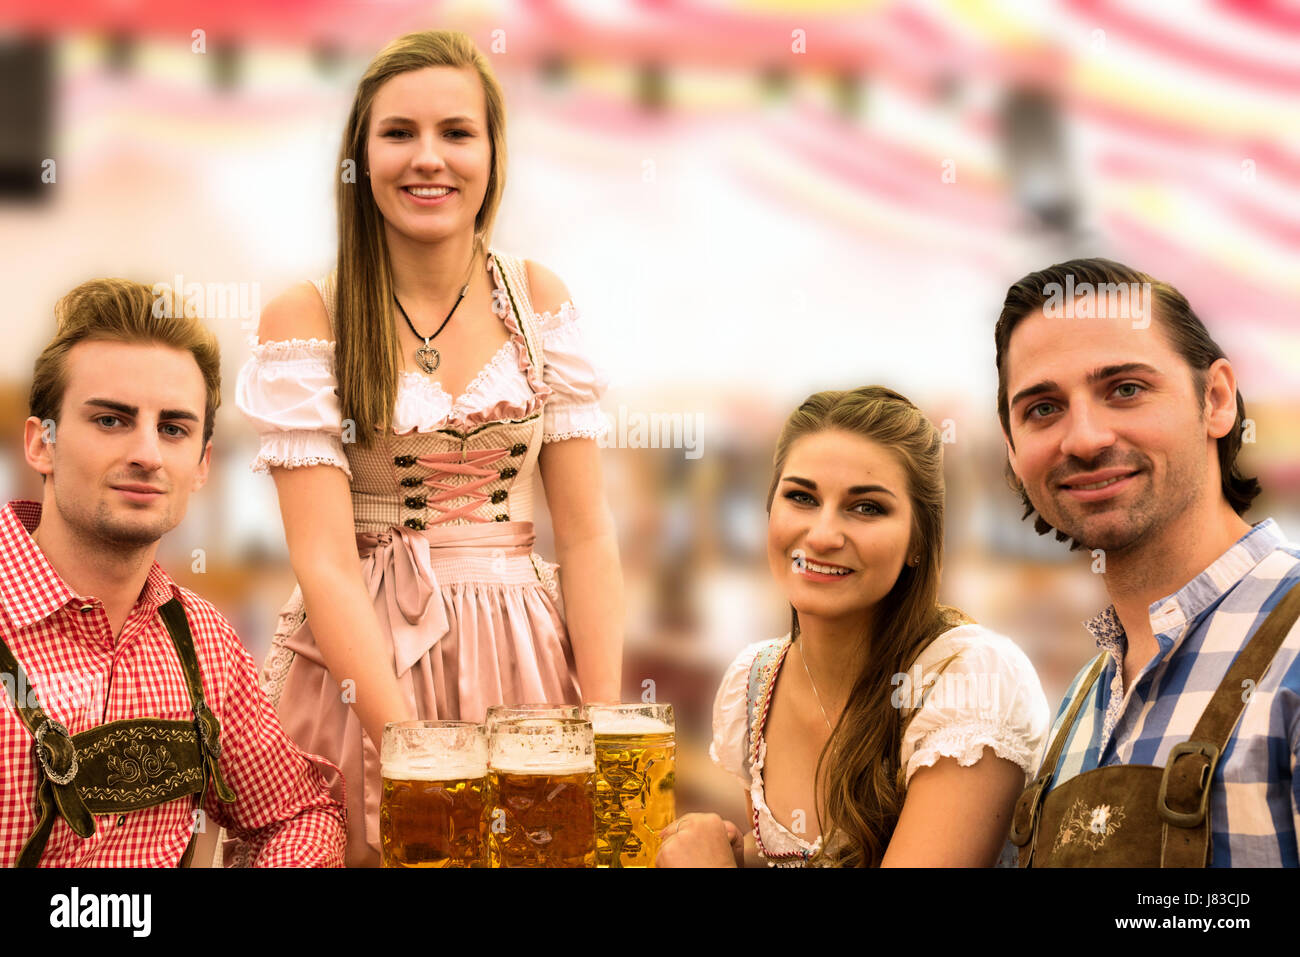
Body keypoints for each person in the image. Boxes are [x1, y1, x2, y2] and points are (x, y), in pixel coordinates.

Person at [233, 30, 624, 867]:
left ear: (492, 152)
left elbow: (588, 535)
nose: (428, 159)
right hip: (363, 658)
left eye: (456, 132)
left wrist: (602, 725)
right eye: (398, 133)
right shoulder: (308, 315)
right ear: (361, 156)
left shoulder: (538, 299)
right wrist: (412, 754)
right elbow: (326, 561)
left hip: (522, 646)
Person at [0, 278, 346, 867]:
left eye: (173, 428)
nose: (147, 454)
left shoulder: (203, 640)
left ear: (203, 464)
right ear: (42, 444)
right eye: (111, 420)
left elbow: (300, 814)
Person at [658, 386, 1050, 867]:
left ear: (918, 542)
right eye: (801, 497)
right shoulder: (754, 685)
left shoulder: (967, 679)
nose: (822, 535)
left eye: (866, 507)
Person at [998, 258, 1300, 867]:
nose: (1083, 439)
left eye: (1125, 389)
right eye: (1042, 408)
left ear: (1215, 400)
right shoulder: (1079, 707)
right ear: (1012, 449)